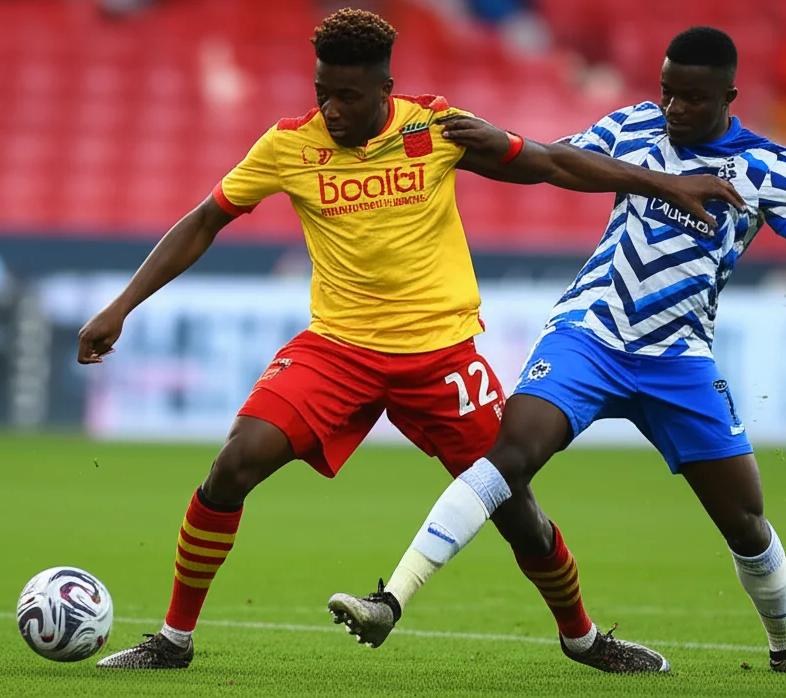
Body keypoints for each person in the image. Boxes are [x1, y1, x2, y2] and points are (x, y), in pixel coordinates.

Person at [85, 10, 741, 670]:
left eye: (347, 96)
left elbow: (549, 162)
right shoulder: (287, 146)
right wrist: (121, 307)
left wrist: (663, 182)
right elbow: (204, 222)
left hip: (441, 355)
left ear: (384, 89)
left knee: (516, 510)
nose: (331, 110)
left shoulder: (435, 127)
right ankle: (172, 640)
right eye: (322, 94)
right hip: (337, 349)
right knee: (233, 464)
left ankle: (583, 638)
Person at [329, 26, 786, 676]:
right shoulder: (633, 127)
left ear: (729, 95)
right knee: (511, 455)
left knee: (746, 520)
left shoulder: (766, 165)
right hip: (590, 335)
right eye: (667, 93)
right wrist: (490, 140)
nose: (674, 110)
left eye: (692, 98)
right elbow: (553, 162)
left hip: (680, 360)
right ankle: (390, 599)